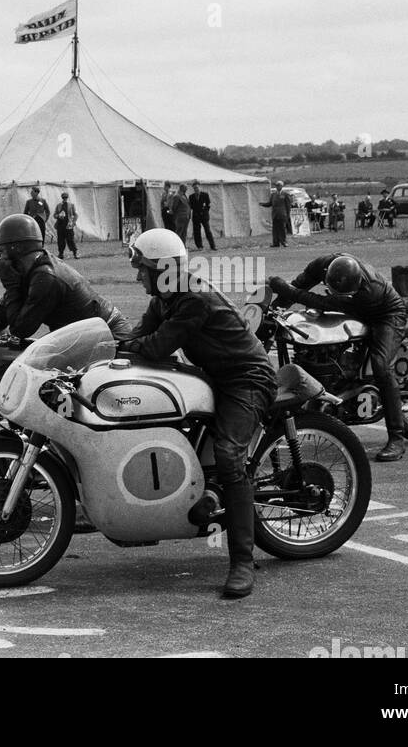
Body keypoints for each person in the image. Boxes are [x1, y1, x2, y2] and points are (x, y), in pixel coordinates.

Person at [124, 228, 277, 599]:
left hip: (246, 379)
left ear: (161, 268)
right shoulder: (164, 298)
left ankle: (242, 561)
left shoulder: (192, 298)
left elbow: (156, 346)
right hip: (214, 378)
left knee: (229, 456)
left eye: (141, 267)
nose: (137, 274)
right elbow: (136, 338)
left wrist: (128, 346)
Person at [268, 252, 408, 463]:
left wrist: (286, 288)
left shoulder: (369, 291)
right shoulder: (323, 264)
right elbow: (301, 285)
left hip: (385, 314)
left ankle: (397, 438)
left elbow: (321, 301)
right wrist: (273, 309)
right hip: (353, 307)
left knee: (380, 366)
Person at [0, 214, 134, 372]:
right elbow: (3, 308)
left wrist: (11, 286)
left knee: (22, 364)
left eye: (1, 251)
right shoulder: (32, 269)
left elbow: (21, 329)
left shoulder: (45, 276)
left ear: (16, 248)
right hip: (87, 336)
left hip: (109, 337)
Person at [259, 181, 291, 248]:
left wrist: (287, 215)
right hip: (275, 214)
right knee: (275, 229)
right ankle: (275, 243)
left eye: (279, 185)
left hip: (282, 214)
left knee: (282, 229)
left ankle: (284, 242)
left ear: (282, 186)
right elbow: (270, 203)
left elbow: (288, 206)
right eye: (277, 185)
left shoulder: (285, 194)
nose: (277, 186)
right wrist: (262, 204)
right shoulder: (273, 194)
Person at [189, 181, 216, 250]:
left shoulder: (205, 195)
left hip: (204, 216)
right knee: (197, 232)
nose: (196, 189)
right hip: (196, 216)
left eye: (197, 187)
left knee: (207, 230)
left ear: (200, 187)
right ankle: (199, 246)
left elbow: (208, 205)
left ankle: (213, 246)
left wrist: (204, 212)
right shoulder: (191, 197)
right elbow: (191, 207)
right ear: (193, 188)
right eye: (194, 188)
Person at [54, 191, 79, 260]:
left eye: (66, 197)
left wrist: (73, 222)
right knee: (60, 240)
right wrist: (58, 216)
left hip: (68, 225)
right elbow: (54, 215)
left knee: (70, 240)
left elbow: (76, 215)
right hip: (60, 225)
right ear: (62, 198)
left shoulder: (71, 205)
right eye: (63, 197)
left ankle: (75, 253)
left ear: (67, 198)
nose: (64, 198)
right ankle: (61, 254)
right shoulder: (59, 205)